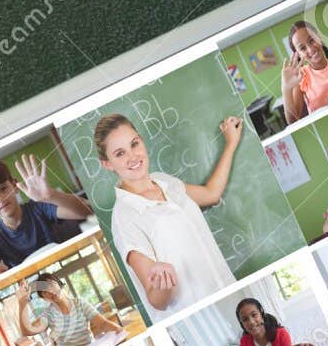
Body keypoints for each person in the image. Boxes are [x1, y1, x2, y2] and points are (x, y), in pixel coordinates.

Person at [97, 112, 245, 318]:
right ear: (107, 163)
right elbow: (157, 300)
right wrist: (163, 284)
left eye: (134, 144)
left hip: (229, 291)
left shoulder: (164, 181)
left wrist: (231, 143)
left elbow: (211, 194)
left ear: (141, 139)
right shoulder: (125, 218)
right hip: (203, 316)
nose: (133, 156)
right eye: (120, 153)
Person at [0, 154, 93, 282]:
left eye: (3, 189)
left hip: (62, 273)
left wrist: (51, 195)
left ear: (15, 186)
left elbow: (87, 211)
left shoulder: (38, 208)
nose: (0, 199)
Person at [15, 273, 120, 346]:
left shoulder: (80, 303)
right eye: (45, 291)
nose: (50, 291)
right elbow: (27, 331)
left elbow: (103, 324)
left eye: (51, 285)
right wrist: (22, 303)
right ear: (44, 297)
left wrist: (120, 333)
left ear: (59, 283)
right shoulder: (48, 315)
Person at [280, 21, 328, 123]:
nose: (310, 49)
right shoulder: (301, 77)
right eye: (302, 48)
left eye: (311, 40)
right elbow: (292, 121)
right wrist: (286, 88)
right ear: (299, 55)